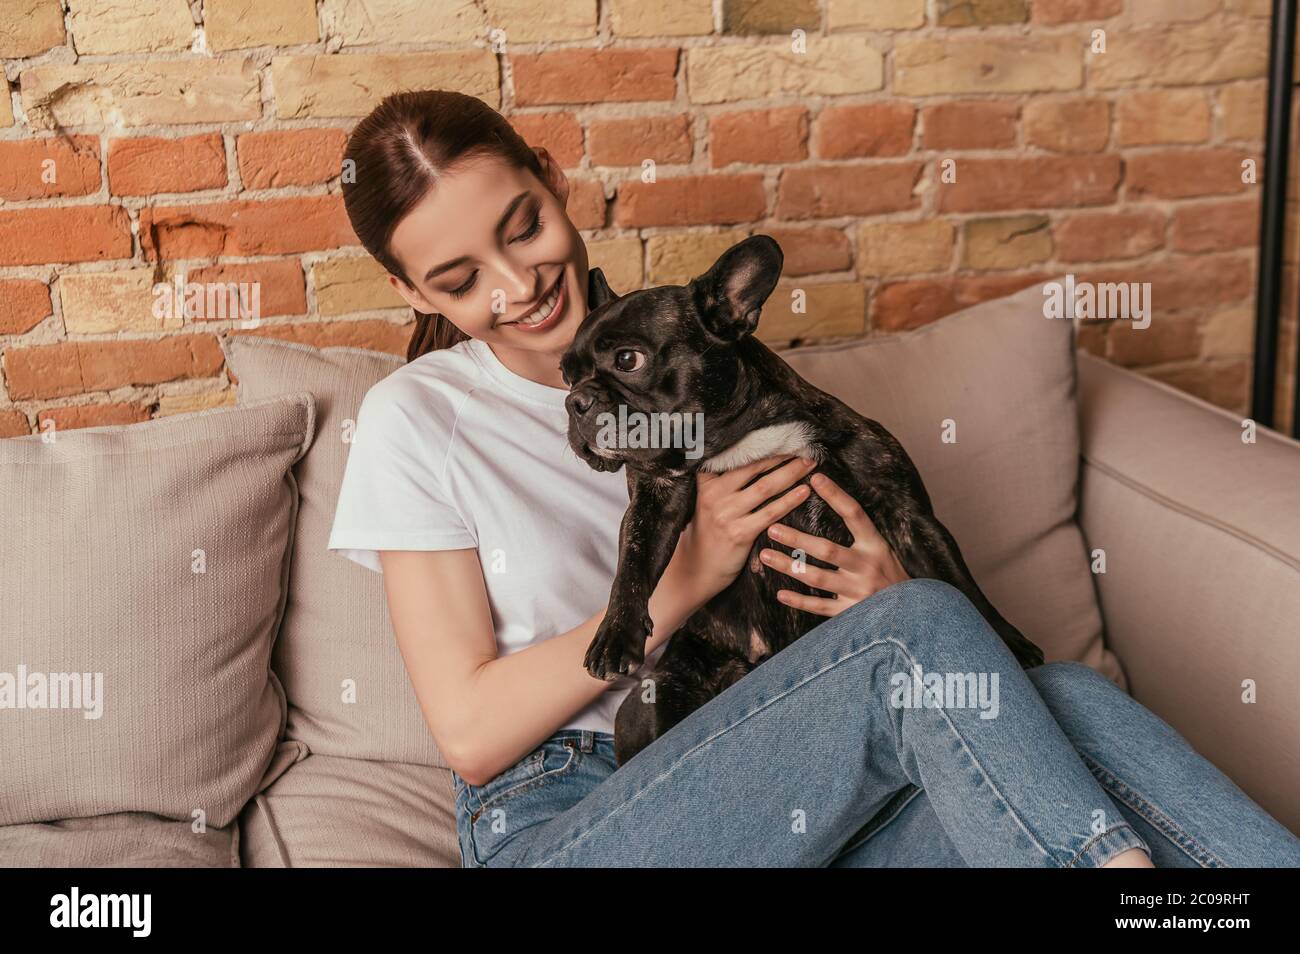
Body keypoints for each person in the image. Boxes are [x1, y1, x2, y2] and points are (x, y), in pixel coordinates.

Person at [326, 90, 1300, 868]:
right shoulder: (419, 420)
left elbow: (829, 608)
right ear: (414, 293)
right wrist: (686, 578)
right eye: (458, 280)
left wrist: (875, 597)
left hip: (794, 779)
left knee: (1053, 695)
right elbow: (470, 733)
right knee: (929, 638)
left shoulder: (696, 353)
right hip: (576, 811)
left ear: (554, 178)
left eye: (522, 227)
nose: (516, 284)